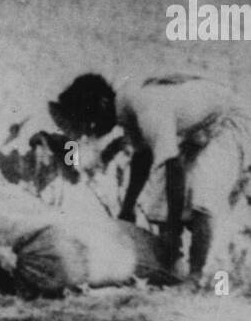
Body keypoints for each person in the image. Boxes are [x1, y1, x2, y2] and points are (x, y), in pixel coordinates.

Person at [49, 72, 251, 281]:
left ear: (102, 104)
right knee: (162, 206)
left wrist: (174, 229)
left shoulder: (146, 108)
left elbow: (174, 168)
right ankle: (175, 272)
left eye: (91, 122)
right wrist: (127, 208)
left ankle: (197, 276)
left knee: (202, 199)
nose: (92, 131)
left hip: (228, 122)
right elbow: (142, 158)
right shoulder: (126, 108)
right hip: (196, 129)